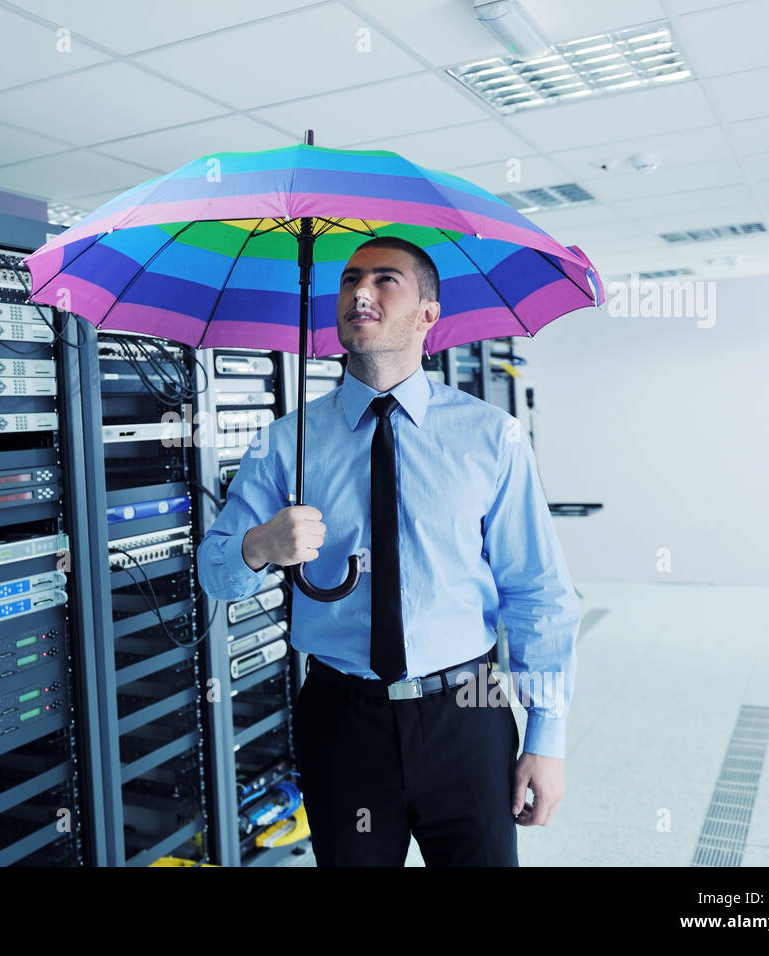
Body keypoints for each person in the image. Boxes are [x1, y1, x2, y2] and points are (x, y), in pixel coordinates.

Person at [195, 235, 580, 866]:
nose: (359, 294)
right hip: (342, 720)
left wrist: (548, 736)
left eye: (384, 280)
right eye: (349, 281)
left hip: (467, 713)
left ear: (429, 313)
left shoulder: (491, 438)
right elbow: (216, 574)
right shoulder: (285, 442)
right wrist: (260, 544)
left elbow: (538, 593)